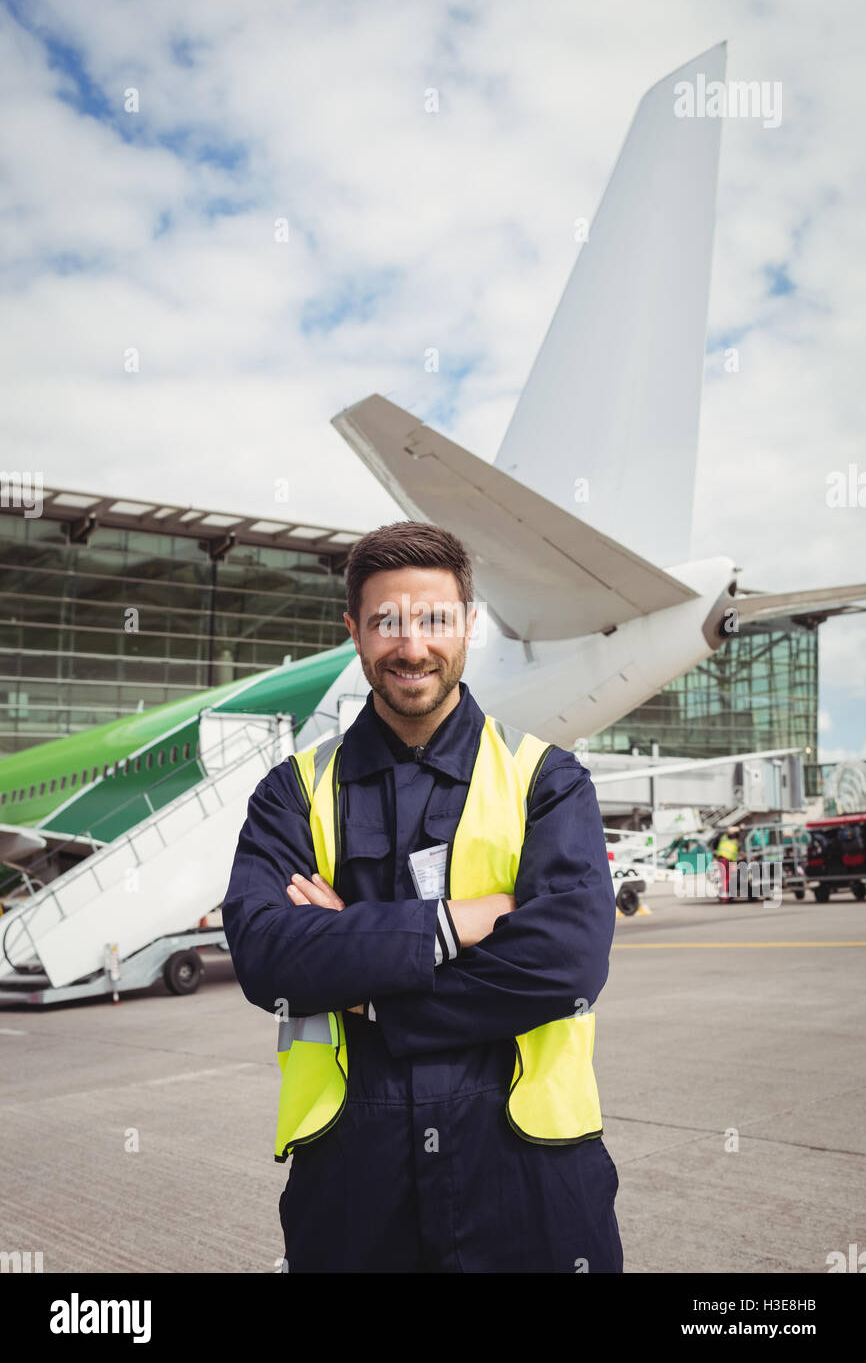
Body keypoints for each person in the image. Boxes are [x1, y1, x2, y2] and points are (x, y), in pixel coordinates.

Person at [222, 521, 623, 1274]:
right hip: (351, 1187)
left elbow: (564, 965)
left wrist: (366, 989)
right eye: (386, 623)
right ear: (354, 632)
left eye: (435, 619)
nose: (412, 647)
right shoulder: (292, 793)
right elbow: (266, 956)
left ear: (468, 625)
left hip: (530, 1176)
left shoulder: (547, 780)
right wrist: (450, 924)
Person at [715, 826, 740, 902]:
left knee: (730, 878)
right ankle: (724, 894)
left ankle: (727, 893)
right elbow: (730, 829)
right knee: (725, 878)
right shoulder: (725, 837)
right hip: (724, 859)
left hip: (731, 860)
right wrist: (740, 828)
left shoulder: (735, 840)